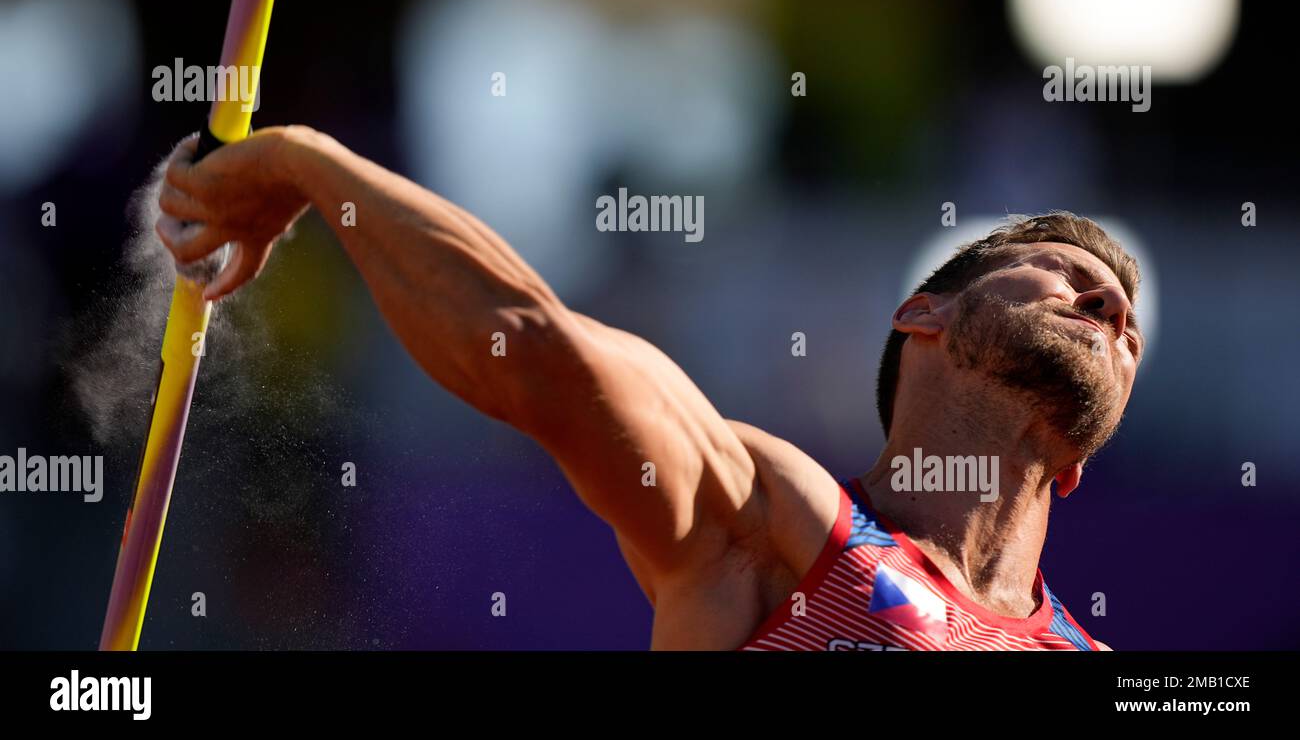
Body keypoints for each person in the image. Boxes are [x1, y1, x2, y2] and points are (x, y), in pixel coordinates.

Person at [156, 126, 1142, 650]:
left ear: (1080, 462)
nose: (1108, 298)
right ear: (922, 314)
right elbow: (536, 353)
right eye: (1060, 267)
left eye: (1127, 318)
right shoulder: (781, 525)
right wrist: (307, 165)